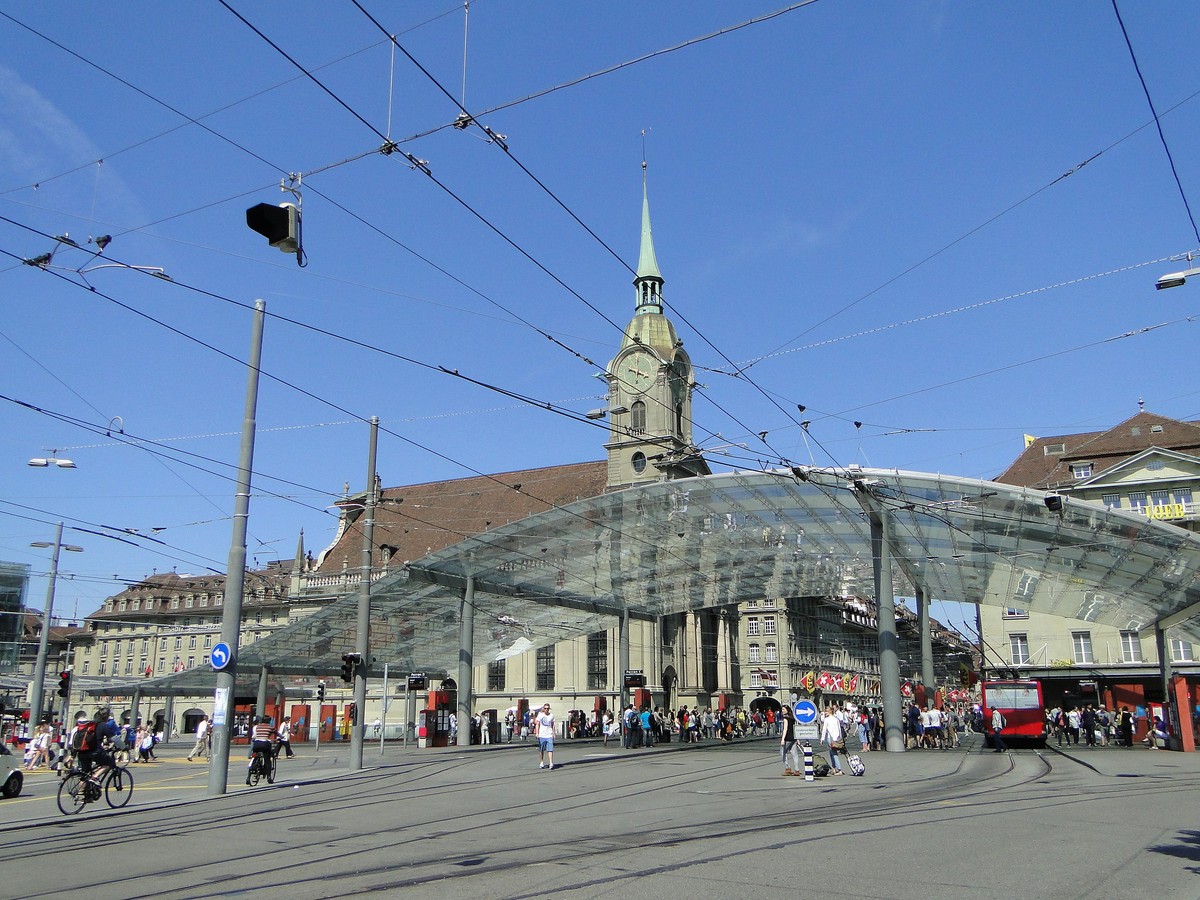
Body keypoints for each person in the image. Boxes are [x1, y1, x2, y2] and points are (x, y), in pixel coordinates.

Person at [246, 716, 278, 784]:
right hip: (265, 744)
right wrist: (281, 737)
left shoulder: (257, 727)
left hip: (256, 744)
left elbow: (254, 736)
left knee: (254, 757)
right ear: (269, 721)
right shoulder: (270, 727)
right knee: (267, 759)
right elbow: (277, 733)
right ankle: (269, 777)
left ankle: (248, 777)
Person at [820, 706, 845, 775]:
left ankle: (839, 769)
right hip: (836, 738)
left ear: (830, 712)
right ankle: (834, 768)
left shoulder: (827, 720)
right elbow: (839, 729)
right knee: (832, 753)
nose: (825, 713)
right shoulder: (836, 719)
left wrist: (822, 739)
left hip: (830, 738)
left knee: (834, 753)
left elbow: (824, 730)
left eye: (826, 711)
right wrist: (840, 737)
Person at [780, 705, 802, 776]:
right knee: (794, 754)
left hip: (788, 738)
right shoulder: (793, 718)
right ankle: (797, 770)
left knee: (783, 753)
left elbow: (785, 729)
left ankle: (787, 768)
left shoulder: (785, 719)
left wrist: (783, 739)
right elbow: (795, 729)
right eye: (782, 709)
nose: (782, 711)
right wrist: (797, 739)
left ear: (787, 710)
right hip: (793, 738)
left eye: (783, 709)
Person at [535, 703, 556, 770]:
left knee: (550, 749)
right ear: (543, 709)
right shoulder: (540, 715)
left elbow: (552, 725)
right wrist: (537, 733)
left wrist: (553, 733)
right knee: (541, 750)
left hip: (549, 735)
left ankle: (551, 763)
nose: (546, 710)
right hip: (542, 735)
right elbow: (537, 724)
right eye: (545, 708)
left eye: (548, 708)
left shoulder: (551, 715)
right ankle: (541, 762)